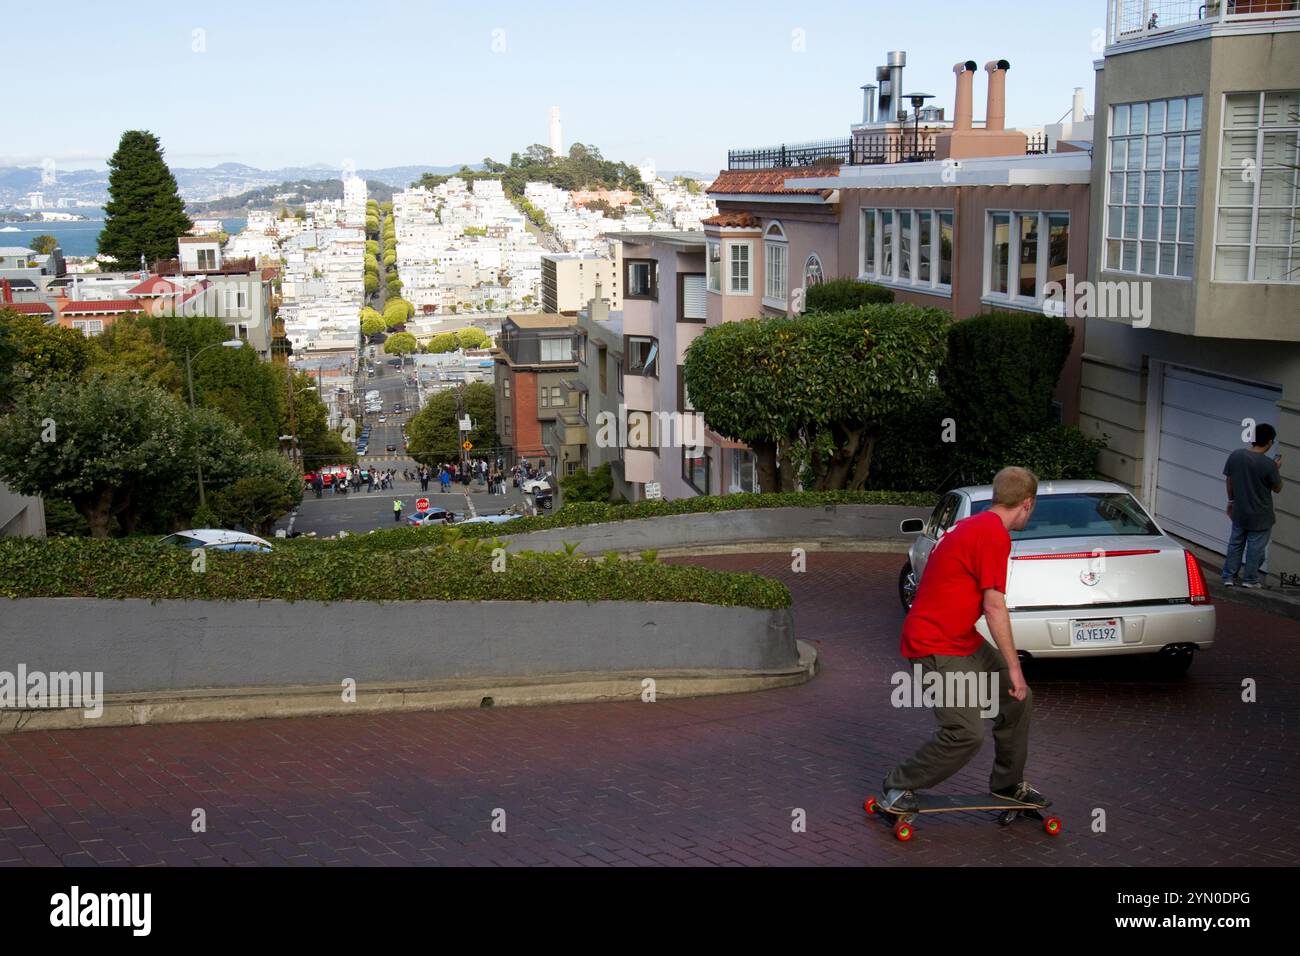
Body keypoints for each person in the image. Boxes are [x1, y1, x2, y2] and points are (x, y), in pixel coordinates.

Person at [880, 466, 1045, 814]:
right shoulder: (993, 534)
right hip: (932, 644)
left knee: (1018, 700)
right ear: (1027, 504)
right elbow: (995, 606)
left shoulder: (976, 524)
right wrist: (1015, 668)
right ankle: (898, 785)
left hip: (961, 639)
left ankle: (1007, 785)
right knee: (966, 732)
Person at [1223, 423, 1284, 589]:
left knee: (1235, 544)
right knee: (1255, 549)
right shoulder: (1268, 465)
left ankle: (1228, 577)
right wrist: (1276, 469)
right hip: (1261, 515)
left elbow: (1229, 479)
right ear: (1269, 442)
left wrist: (1231, 501)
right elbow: (1277, 488)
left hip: (1240, 510)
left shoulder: (1236, 455)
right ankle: (1249, 580)